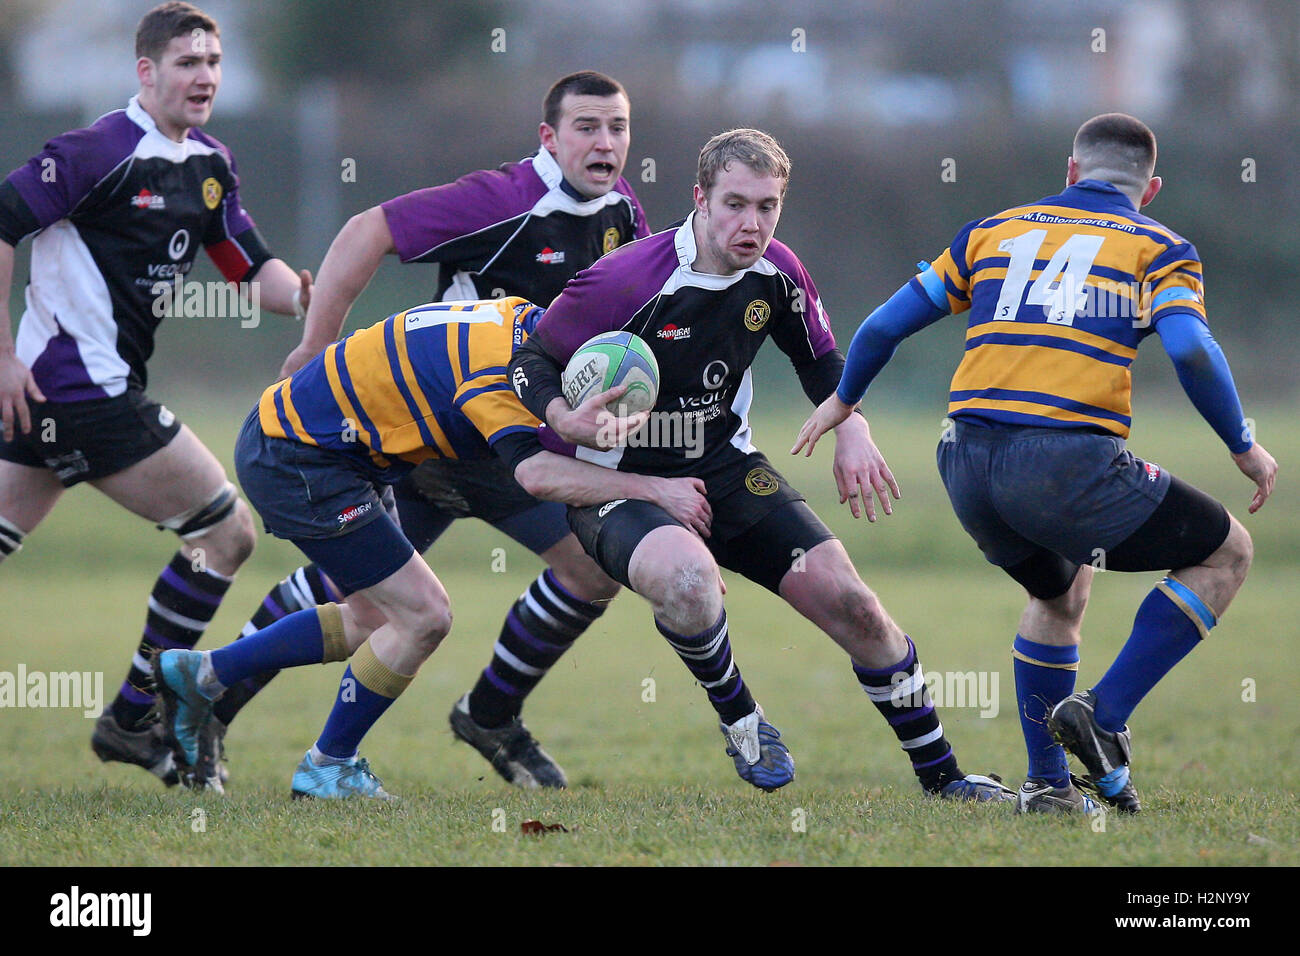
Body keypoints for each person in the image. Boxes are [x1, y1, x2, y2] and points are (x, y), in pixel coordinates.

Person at [505, 128, 1014, 800]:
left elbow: (820, 362)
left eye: (768, 206)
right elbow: (530, 358)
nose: (753, 224)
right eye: (736, 204)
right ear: (700, 199)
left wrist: (850, 423)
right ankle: (742, 718)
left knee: (856, 607)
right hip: (616, 483)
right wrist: (561, 416)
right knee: (690, 584)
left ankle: (944, 780)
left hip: (724, 468)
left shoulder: (777, 272)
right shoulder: (627, 279)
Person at [794, 113, 1277, 814]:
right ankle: (1103, 717)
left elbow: (881, 326)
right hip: (1064, 466)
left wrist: (844, 399)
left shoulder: (994, 229)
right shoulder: (1160, 247)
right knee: (1227, 553)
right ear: (1151, 188)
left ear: (1072, 171)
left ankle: (1049, 788)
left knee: (1059, 595)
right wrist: (1241, 442)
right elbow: (1193, 351)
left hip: (963, 463)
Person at [202, 71, 650, 791]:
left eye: (618, 128)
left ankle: (490, 713)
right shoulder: (504, 199)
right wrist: (314, 346)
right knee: (359, 598)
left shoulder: (622, 212)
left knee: (594, 568)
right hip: (435, 437)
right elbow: (364, 230)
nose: (605, 143)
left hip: (510, 443)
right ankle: (213, 706)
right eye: (587, 127)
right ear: (549, 137)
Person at [153, 296, 710, 799]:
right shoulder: (498, 382)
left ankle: (200, 675)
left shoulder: (522, 318)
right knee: (425, 616)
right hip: (299, 456)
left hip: (334, 452)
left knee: (371, 617)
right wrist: (655, 490)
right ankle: (327, 768)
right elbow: (538, 476)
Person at [0, 2, 313, 786]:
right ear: (146, 72)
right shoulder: (98, 150)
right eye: (186, 63)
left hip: (64, 397)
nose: (204, 75)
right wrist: (0, 355)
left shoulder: (209, 165)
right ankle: (137, 716)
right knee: (227, 530)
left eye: (212, 62)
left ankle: (132, 719)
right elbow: (3, 222)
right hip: (81, 391)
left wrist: (319, 292)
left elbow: (252, 271)